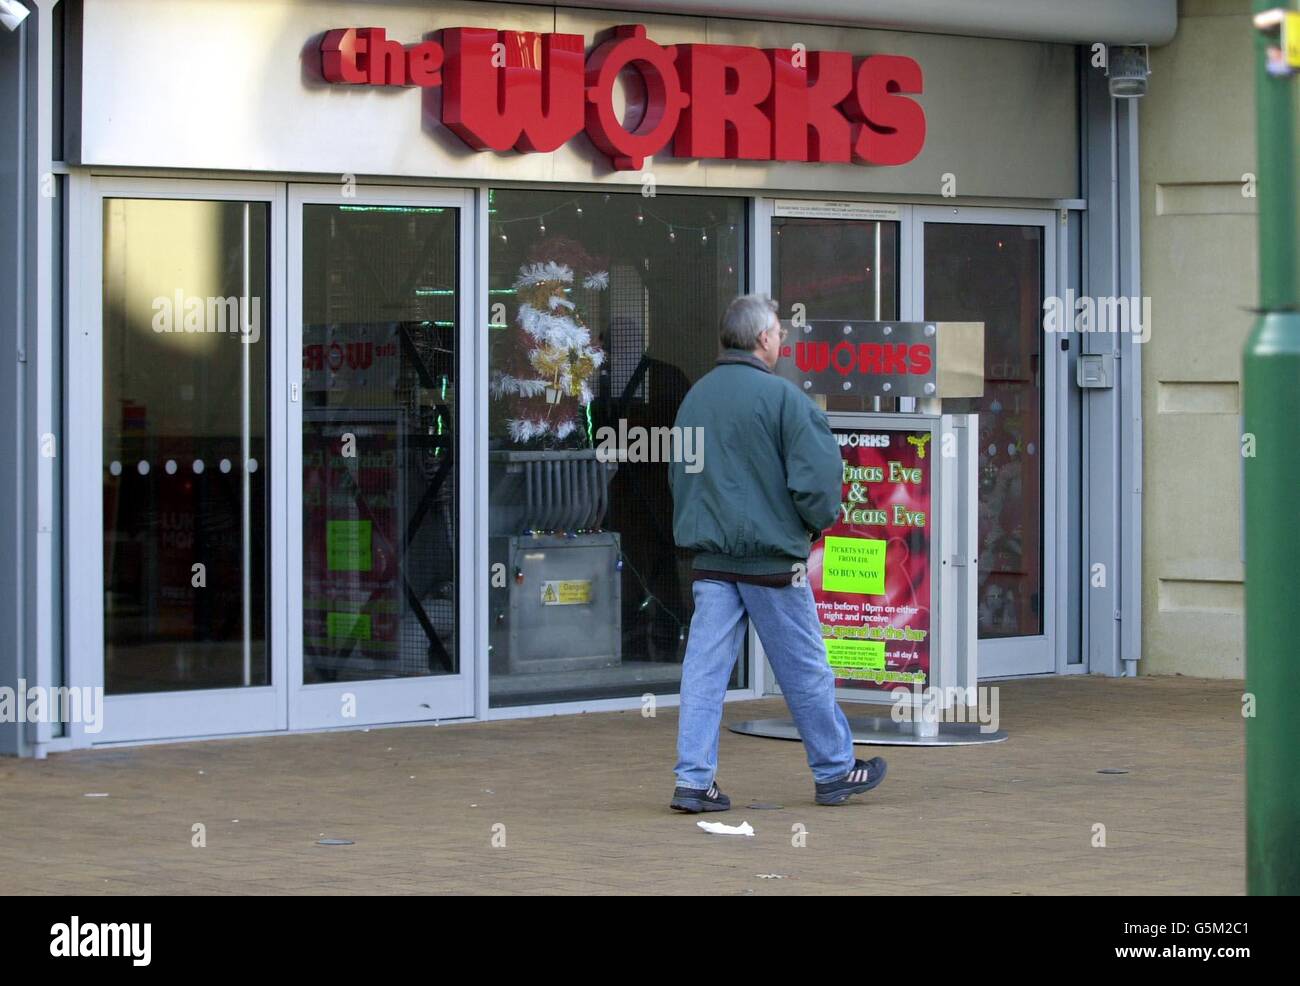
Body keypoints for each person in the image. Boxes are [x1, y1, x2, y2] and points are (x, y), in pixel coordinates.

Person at [667, 294, 887, 811]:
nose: (782, 338)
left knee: (703, 673)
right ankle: (835, 770)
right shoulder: (786, 400)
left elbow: (681, 476)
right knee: (804, 669)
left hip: (712, 560)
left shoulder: (696, 397)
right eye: (779, 332)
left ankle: (693, 780)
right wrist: (807, 531)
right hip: (771, 562)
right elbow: (819, 484)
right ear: (763, 338)